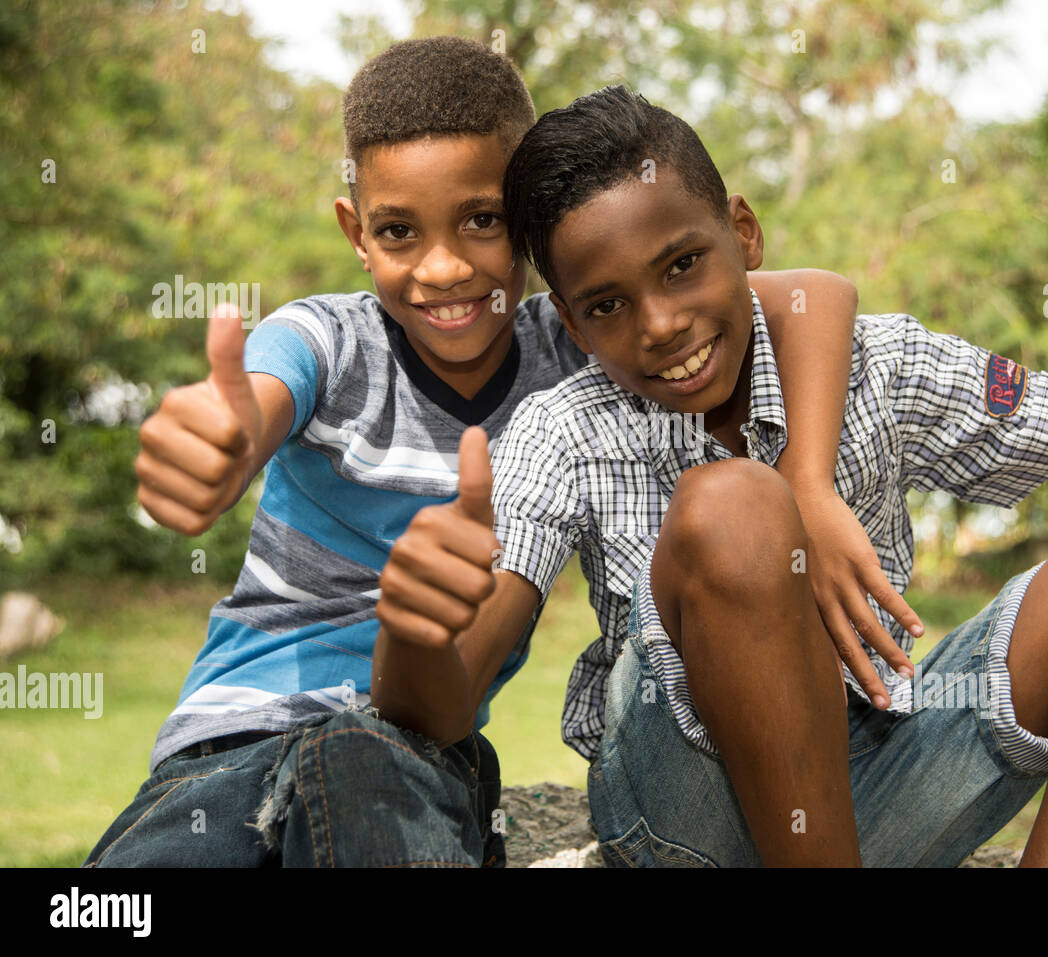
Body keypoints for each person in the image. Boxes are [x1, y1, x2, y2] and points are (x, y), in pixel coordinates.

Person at [377, 84, 1048, 867]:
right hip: (683, 818)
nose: (657, 325)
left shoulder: (876, 368)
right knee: (735, 504)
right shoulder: (566, 431)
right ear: (572, 328)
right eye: (609, 305)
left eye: (684, 265)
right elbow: (448, 694)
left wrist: (811, 482)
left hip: (878, 783)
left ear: (745, 234)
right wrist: (414, 631)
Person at [85, 40, 873, 868]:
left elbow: (806, 294)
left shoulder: (580, 340)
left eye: (482, 220)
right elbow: (261, 393)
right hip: (227, 746)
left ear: (531, 228)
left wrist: (808, 484)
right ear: (357, 233)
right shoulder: (333, 338)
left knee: (375, 774)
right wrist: (226, 437)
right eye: (398, 231)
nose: (444, 267)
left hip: (411, 753)